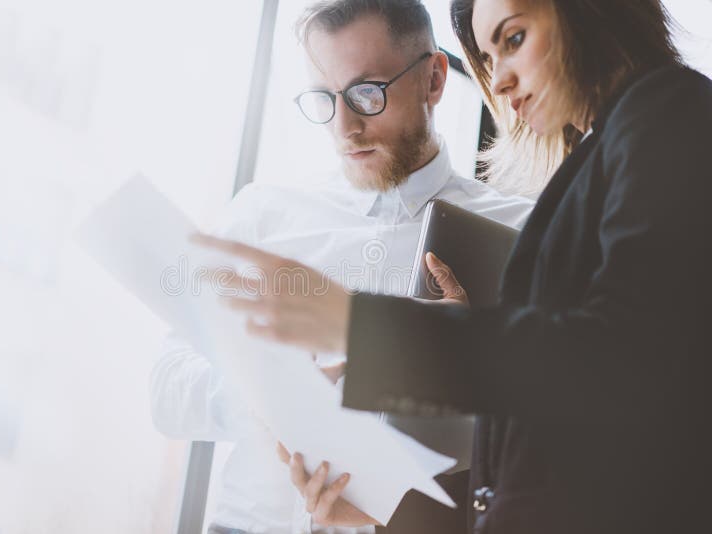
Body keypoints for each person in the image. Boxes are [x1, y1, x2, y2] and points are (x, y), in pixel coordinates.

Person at [192, 0, 712, 533]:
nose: (500, 82)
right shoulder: (598, 157)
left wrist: (361, 327)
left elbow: (614, 364)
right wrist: (397, 506)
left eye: (513, 39)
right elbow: (559, 411)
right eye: (487, 56)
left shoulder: (664, 114)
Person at [151, 1, 534, 533]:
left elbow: (551, 432)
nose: (345, 127)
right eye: (323, 99)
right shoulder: (264, 215)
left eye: (366, 94)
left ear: (434, 78)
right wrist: (274, 395)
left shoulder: (525, 235)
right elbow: (167, 389)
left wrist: (459, 350)